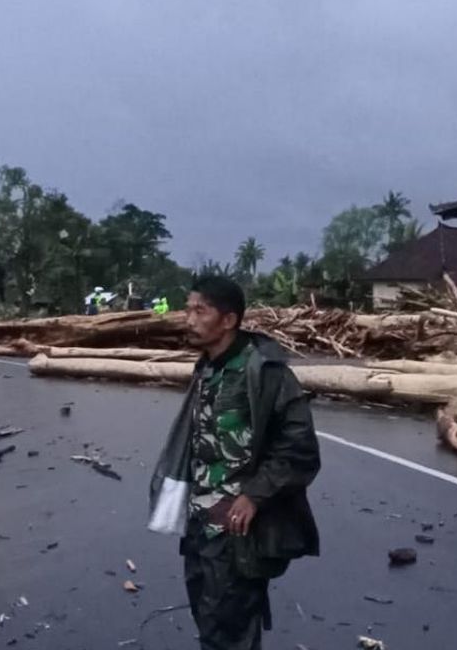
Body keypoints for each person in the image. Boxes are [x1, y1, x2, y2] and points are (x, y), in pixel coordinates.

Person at [149, 275, 320, 649]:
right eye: (188, 309)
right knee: (208, 617)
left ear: (228, 320)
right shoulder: (208, 367)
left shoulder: (265, 372)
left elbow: (300, 449)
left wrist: (254, 496)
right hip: (200, 523)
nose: (189, 319)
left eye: (200, 310)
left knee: (230, 626)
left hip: (236, 529)